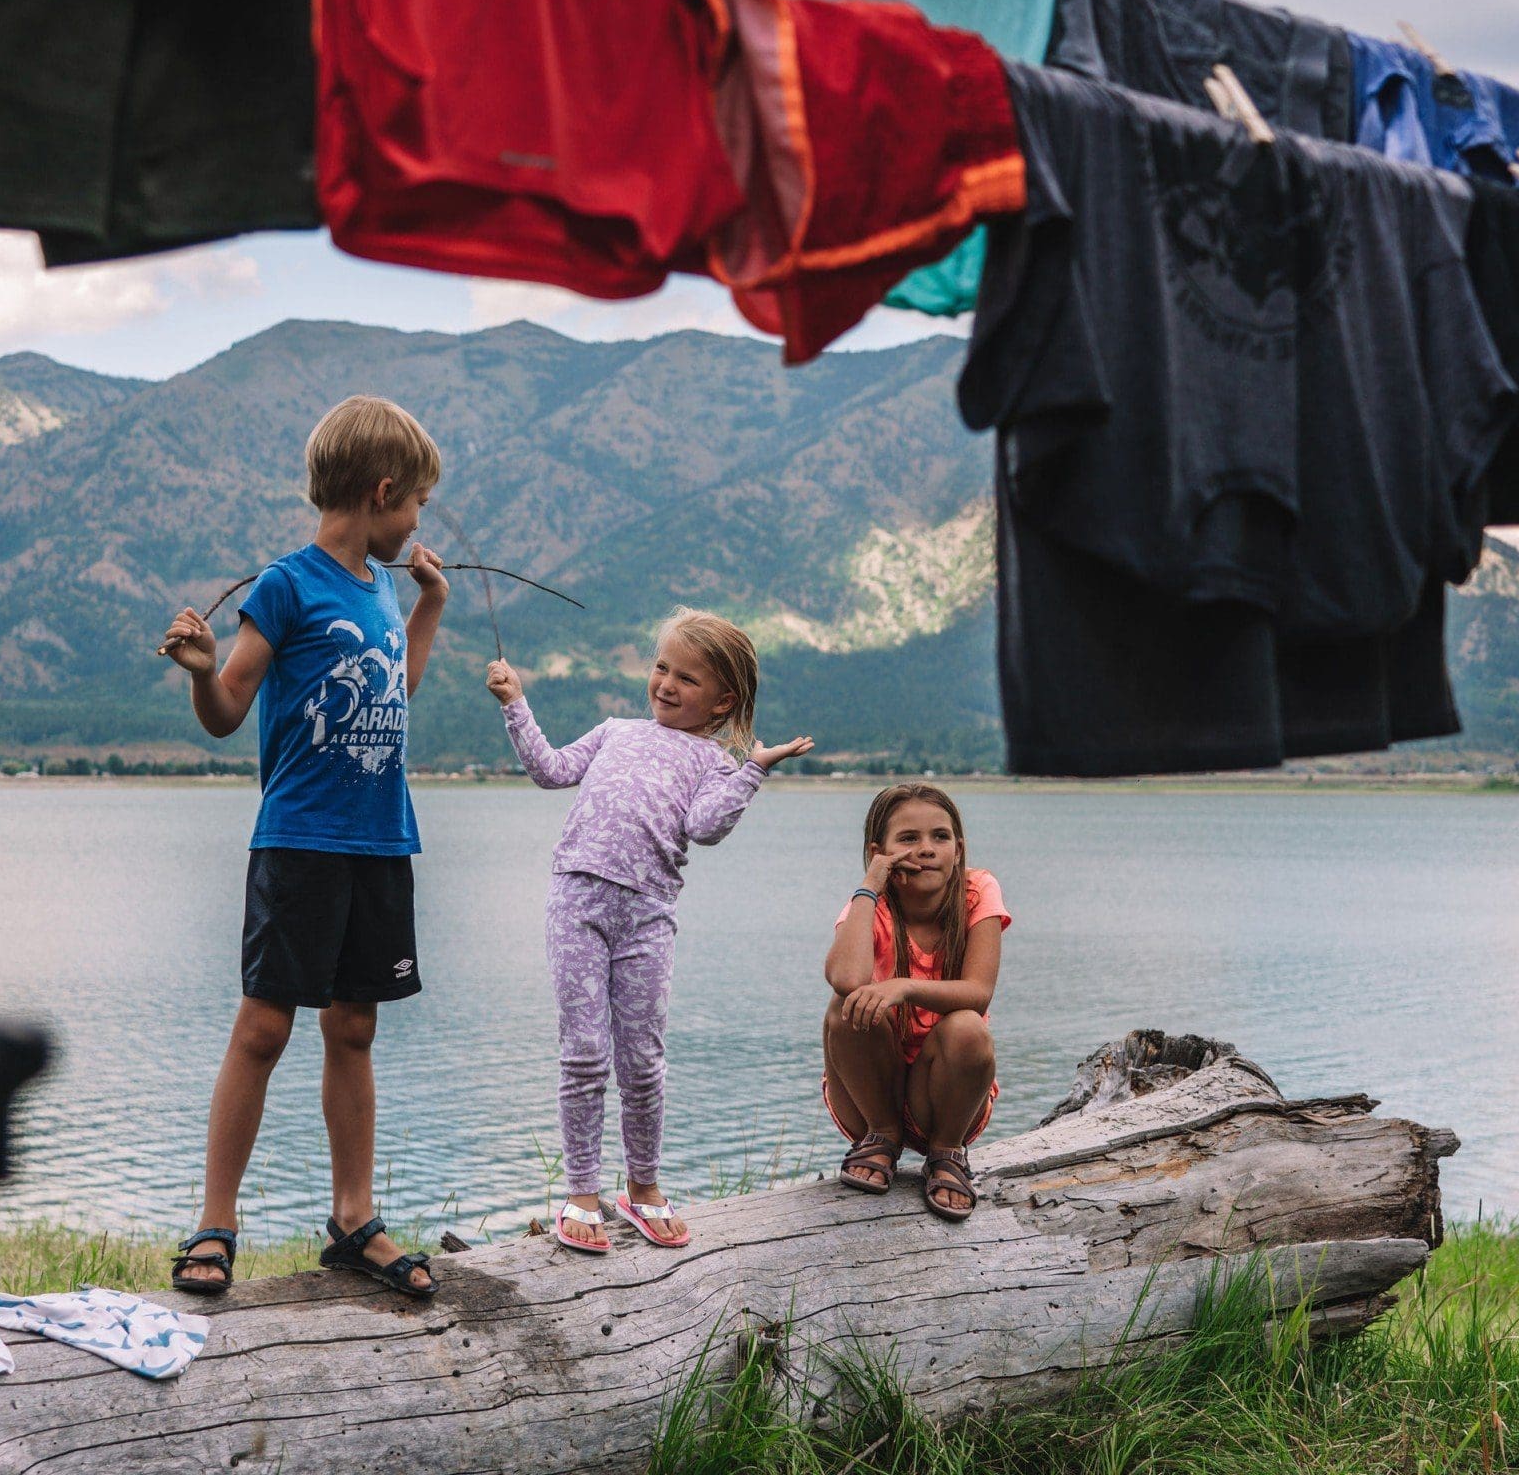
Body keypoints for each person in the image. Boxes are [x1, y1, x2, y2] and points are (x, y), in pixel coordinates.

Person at [158, 395, 449, 1300]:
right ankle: (215, 1223)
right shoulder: (286, 586)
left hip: (381, 842)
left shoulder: (381, 588)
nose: (419, 524)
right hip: (302, 843)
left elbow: (396, 688)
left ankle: (353, 1219)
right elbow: (226, 711)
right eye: (418, 504)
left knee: (353, 1027)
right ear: (384, 490)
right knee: (264, 1028)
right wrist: (203, 672)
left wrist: (430, 603)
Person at [484, 610, 813, 1255]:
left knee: (642, 1062)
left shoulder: (717, 761)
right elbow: (550, 769)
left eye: (687, 678)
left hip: (648, 916)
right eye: (662, 667)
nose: (666, 684)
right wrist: (516, 703)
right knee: (585, 1053)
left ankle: (642, 1187)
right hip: (577, 899)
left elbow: (705, 827)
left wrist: (754, 769)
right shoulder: (616, 731)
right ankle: (581, 1193)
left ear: (722, 701)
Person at [822, 783, 1008, 1221]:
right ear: (879, 853)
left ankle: (946, 1154)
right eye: (908, 839)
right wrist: (870, 885)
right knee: (844, 1009)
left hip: (948, 1100)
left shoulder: (977, 891)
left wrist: (904, 986)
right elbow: (845, 979)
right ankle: (881, 1139)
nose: (926, 849)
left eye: (940, 837)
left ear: (958, 849)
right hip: (869, 1099)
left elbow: (978, 992)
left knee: (968, 1027)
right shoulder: (871, 904)